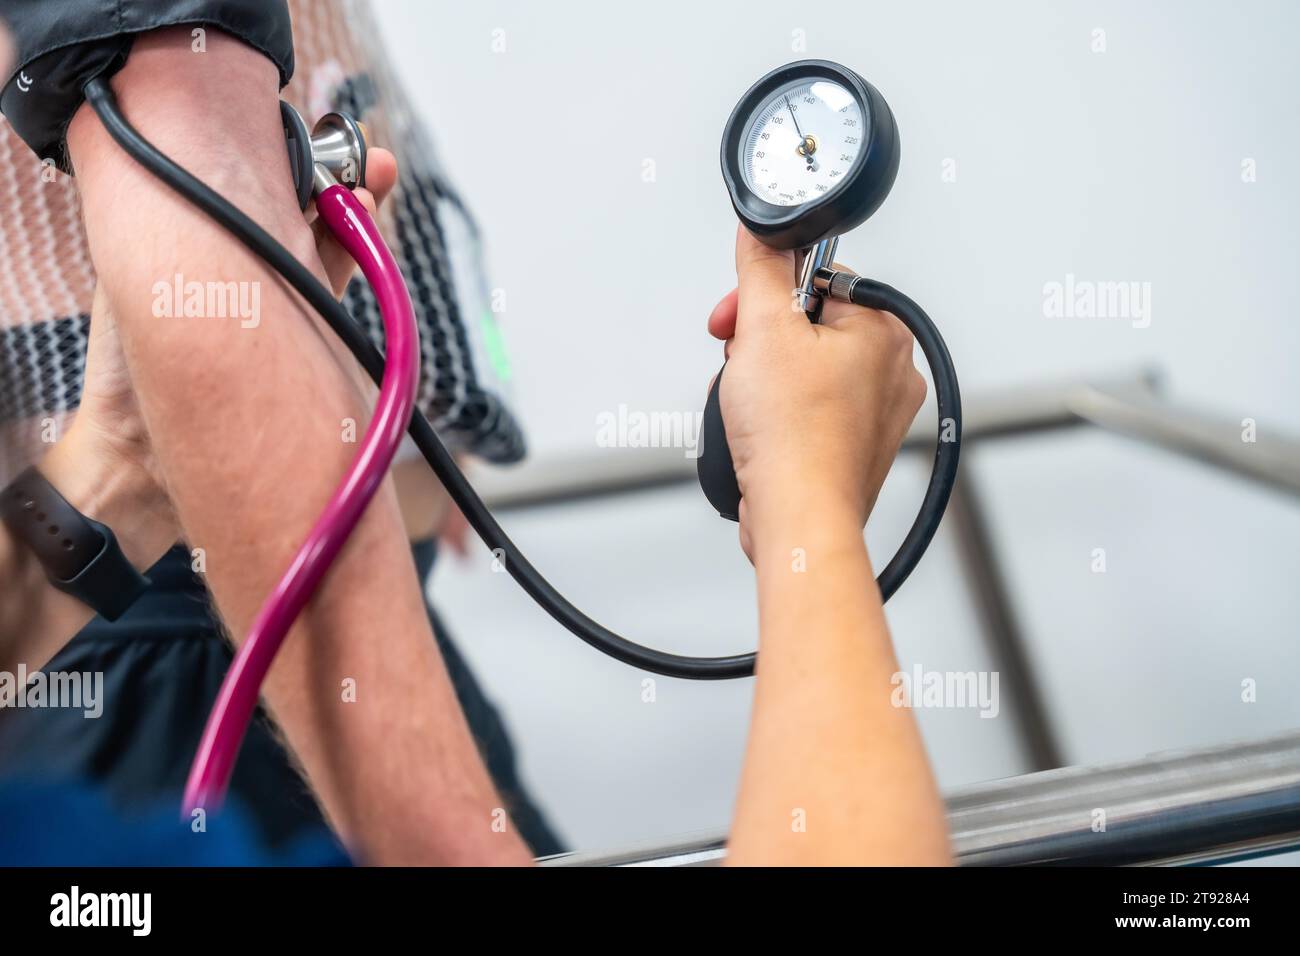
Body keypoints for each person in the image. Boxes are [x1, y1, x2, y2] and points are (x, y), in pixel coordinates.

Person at [0, 2, 950, 865]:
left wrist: (129, 466)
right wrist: (807, 497)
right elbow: (201, 214)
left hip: (175, 593)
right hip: (185, 646)